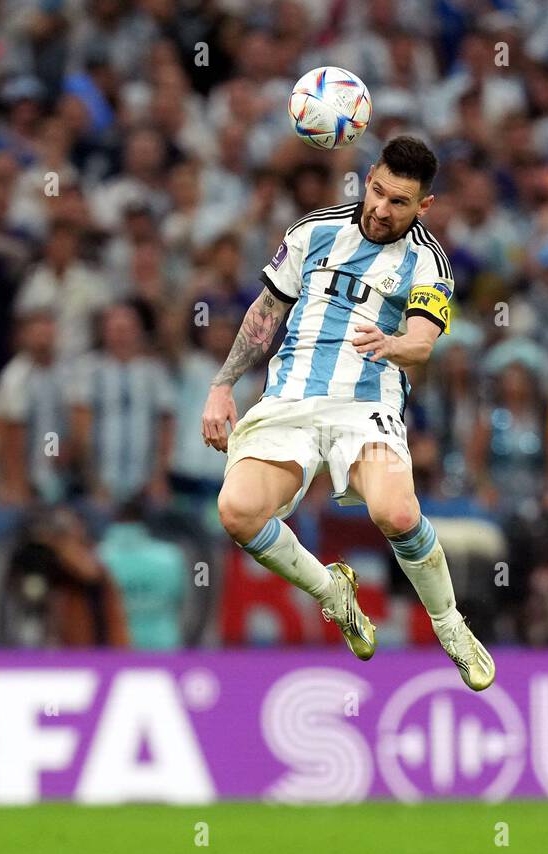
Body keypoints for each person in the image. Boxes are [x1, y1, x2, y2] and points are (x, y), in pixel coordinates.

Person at [201, 136, 495, 690]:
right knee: (237, 512)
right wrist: (223, 383)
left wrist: (392, 343)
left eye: (399, 202)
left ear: (423, 206)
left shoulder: (428, 262)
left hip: (366, 404)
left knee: (398, 514)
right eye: (377, 191)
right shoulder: (314, 231)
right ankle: (332, 592)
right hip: (289, 399)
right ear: (368, 177)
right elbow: (266, 311)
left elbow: (422, 343)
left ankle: (450, 625)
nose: (382, 209)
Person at [97, 495, 188, 650]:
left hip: (115, 644)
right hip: (163, 642)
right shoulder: (171, 556)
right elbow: (180, 598)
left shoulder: (97, 556)